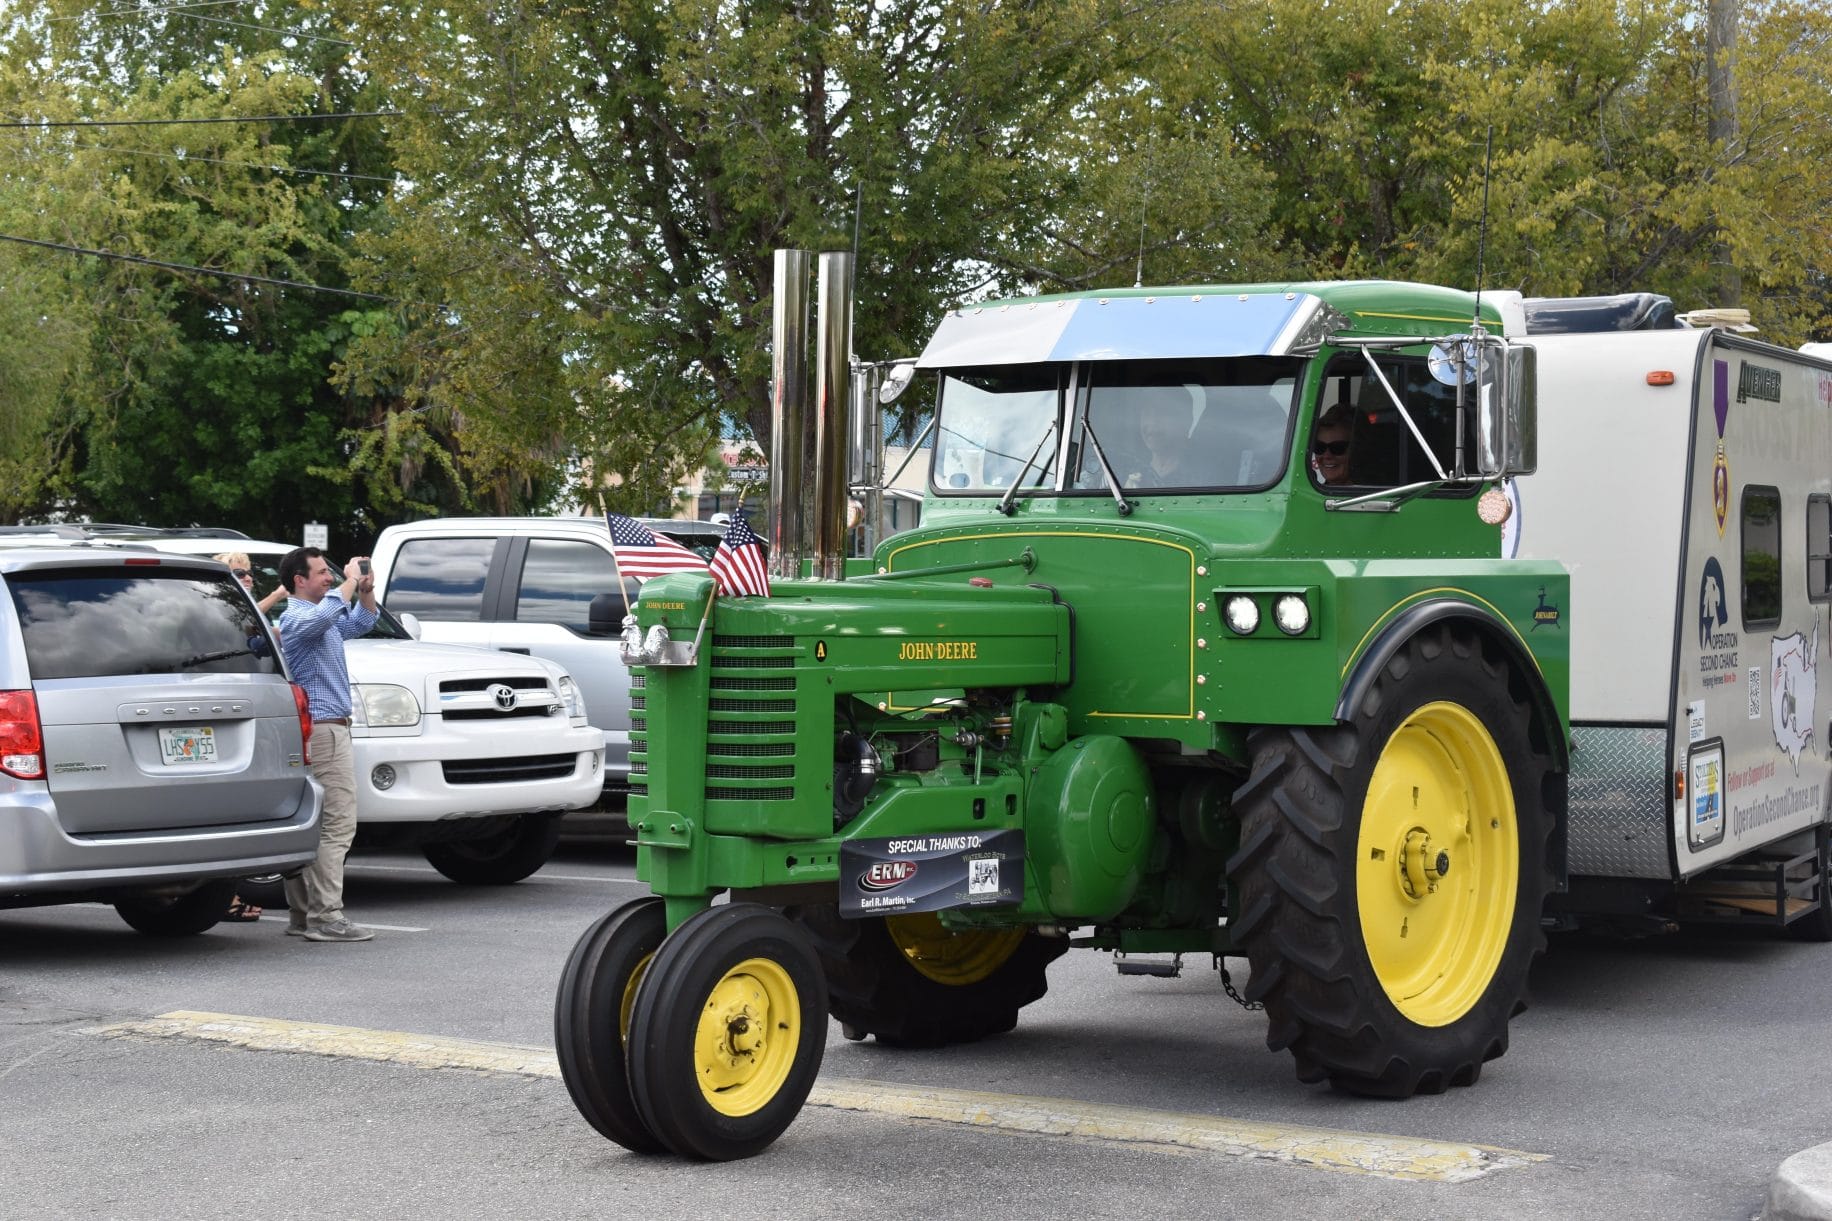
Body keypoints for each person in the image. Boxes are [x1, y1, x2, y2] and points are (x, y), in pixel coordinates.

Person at [277, 546, 380, 943]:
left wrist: (366, 588)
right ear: (298, 581)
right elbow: (322, 617)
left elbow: (363, 622)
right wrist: (350, 581)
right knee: (336, 824)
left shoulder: (326, 618)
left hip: (325, 729)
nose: (328, 577)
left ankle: (303, 914)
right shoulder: (297, 617)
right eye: (321, 572)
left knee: (313, 824)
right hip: (323, 731)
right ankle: (326, 917)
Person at [211, 551, 289, 923]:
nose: (246, 578)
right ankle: (224, 896)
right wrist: (277, 595)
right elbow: (240, 624)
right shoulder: (216, 609)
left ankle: (229, 892)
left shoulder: (250, 610)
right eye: (237, 572)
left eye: (248, 572)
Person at [1124, 390, 1197, 487]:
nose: (1152, 422)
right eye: (1146, 414)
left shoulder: (1204, 474)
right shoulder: (1128, 472)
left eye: (1162, 413)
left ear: (1185, 421)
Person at [1311, 405, 1356, 486]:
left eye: (1337, 448)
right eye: (1319, 447)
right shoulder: (1310, 494)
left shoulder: (1374, 495)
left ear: (1357, 449)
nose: (1327, 455)